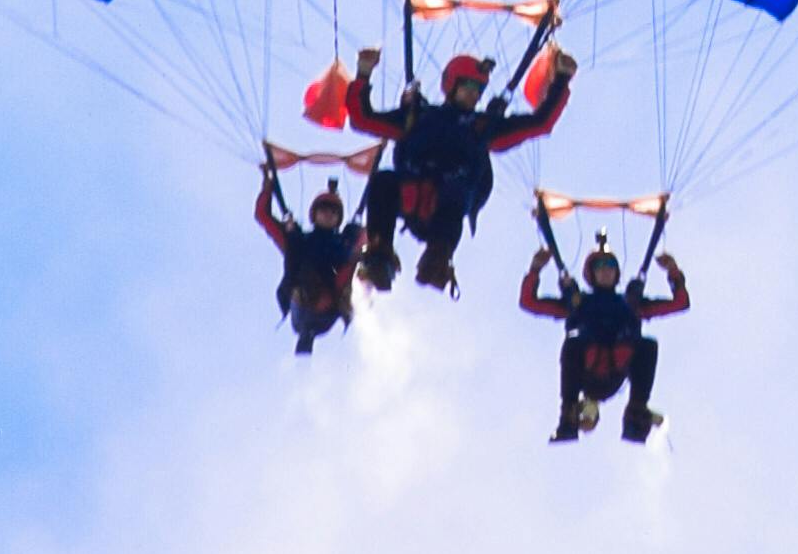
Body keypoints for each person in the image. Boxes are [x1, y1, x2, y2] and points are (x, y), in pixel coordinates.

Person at [359, 29, 575, 295]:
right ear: (452, 85)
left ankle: (437, 258)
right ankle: (379, 255)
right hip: (412, 195)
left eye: (479, 90)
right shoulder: (418, 116)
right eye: (468, 87)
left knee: (454, 188)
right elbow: (363, 119)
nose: (474, 95)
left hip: (448, 207)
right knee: (382, 180)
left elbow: (539, 123)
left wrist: (562, 79)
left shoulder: (482, 126)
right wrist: (363, 73)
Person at [521, 220, 688, 445]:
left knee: (648, 345)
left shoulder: (631, 304)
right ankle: (569, 414)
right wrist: (535, 269)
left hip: (617, 369)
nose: (606, 270)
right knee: (573, 342)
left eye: (610, 265)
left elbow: (680, 303)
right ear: (591, 273)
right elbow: (529, 302)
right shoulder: (579, 303)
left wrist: (673, 271)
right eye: (600, 265)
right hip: (588, 373)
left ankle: (637, 411)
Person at [253, 163, 365, 358]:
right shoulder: (298, 241)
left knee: (356, 255)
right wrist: (267, 188)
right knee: (306, 262)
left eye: (333, 211)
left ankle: (348, 302)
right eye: (324, 209)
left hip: (329, 306)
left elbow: (366, 239)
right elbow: (263, 216)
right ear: (314, 215)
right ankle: (307, 331)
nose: (328, 213)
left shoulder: (346, 242)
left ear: (338, 218)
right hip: (304, 303)